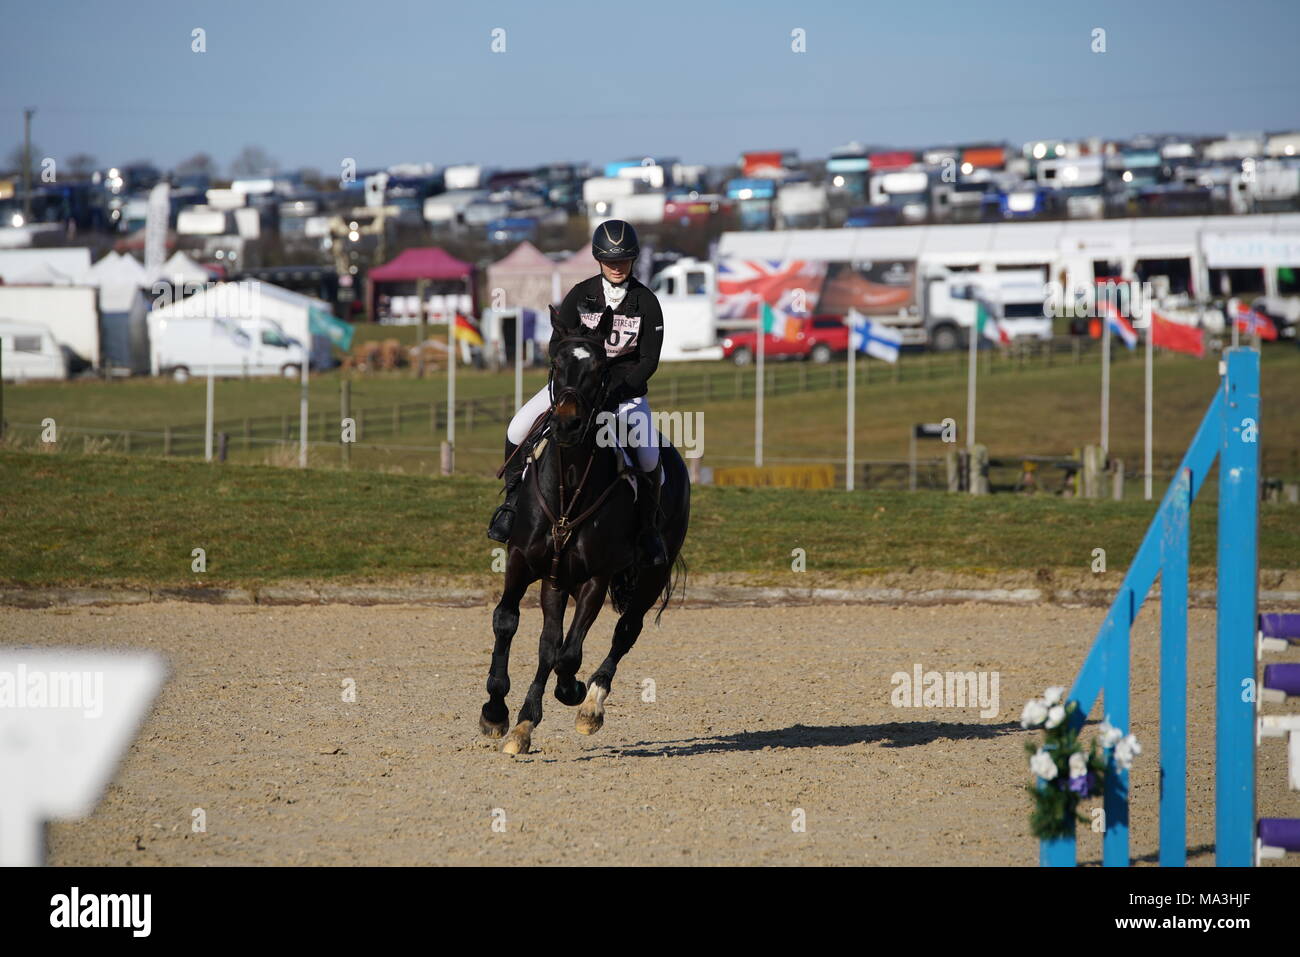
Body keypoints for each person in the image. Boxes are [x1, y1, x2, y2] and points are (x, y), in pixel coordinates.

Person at [487, 220, 667, 566]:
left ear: (633, 260)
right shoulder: (581, 295)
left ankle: (647, 531)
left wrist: (616, 389)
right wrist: (570, 377)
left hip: (623, 395)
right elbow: (556, 345)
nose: (617, 267)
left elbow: (649, 360)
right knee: (516, 427)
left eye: (624, 260)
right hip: (573, 389)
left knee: (648, 457)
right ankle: (510, 507)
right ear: (599, 260)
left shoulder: (646, 302)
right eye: (610, 260)